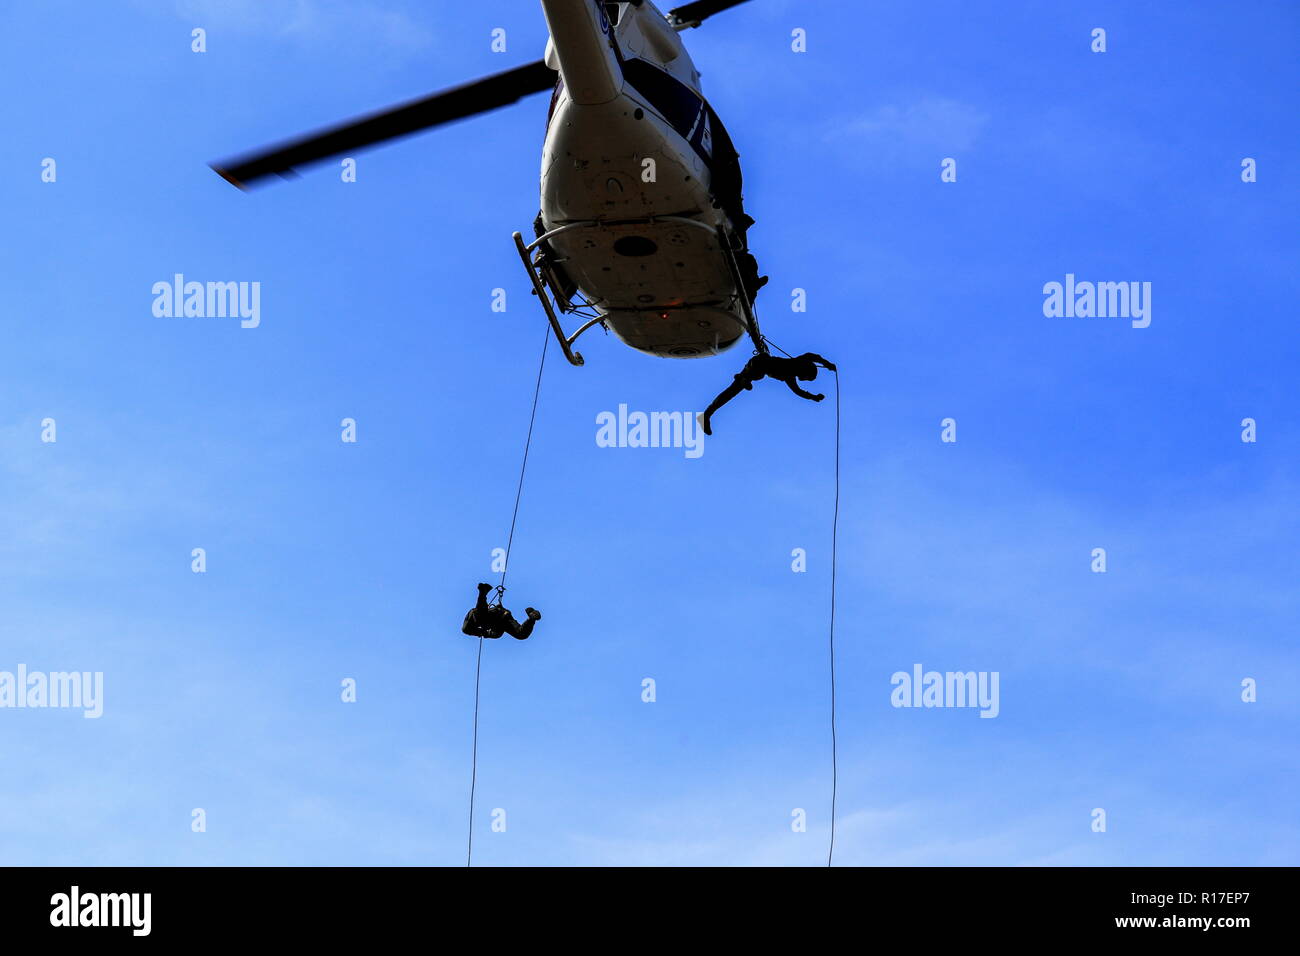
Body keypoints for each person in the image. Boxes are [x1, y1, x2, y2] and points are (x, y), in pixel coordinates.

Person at [699, 351, 836, 436]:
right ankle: (743, 379)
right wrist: (827, 364)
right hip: (758, 364)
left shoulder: (790, 376)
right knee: (757, 376)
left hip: (754, 369)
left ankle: (706, 415)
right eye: (806, 378)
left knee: (730, 393)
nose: (804, 379)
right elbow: (814, 356)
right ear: (805, 371)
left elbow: (799, 392)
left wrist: (813, 397)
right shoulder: (797, 363)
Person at [462, 583, 541, 640]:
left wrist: (482, 632)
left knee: (480, 618)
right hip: (503, 617)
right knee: (521, 635)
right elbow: (495, 634)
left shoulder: (472, 622)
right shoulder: (493, 632)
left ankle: (483, 592)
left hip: (497, 615)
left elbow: (466, 629)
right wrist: (483, 633)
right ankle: (531, 617)